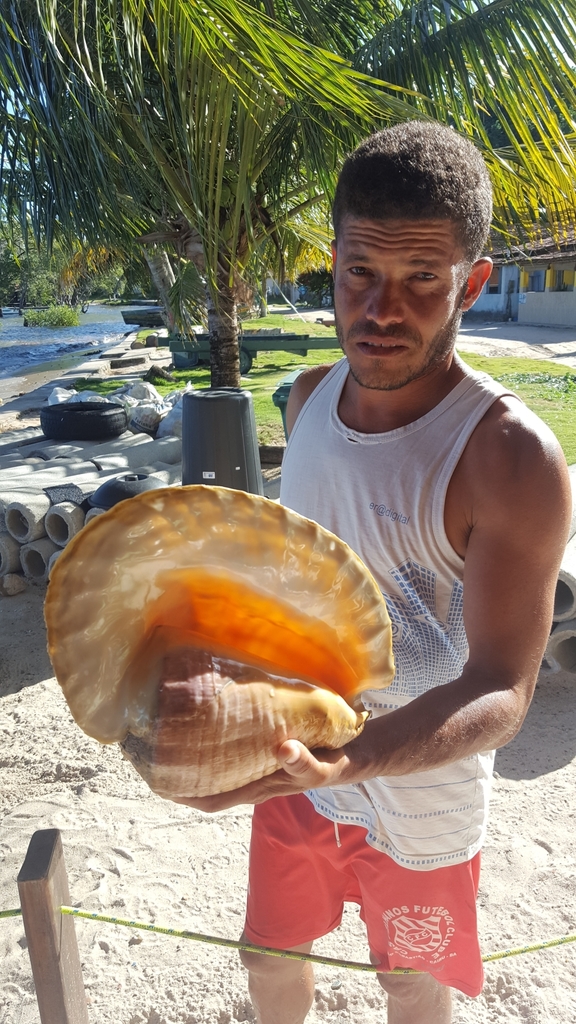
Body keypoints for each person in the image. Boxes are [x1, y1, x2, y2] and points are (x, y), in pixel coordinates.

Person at [182, 122, 572, 1022]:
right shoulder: (309, 398)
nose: (382, 310)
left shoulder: (507, 457)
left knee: (409, 981)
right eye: (361, 272)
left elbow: (503, 690)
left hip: (421, 806)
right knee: (270, 957)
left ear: (473, 283)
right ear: (335, 264)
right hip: (297, 770)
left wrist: (345, 761)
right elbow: (293, 588)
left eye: (423, 279)